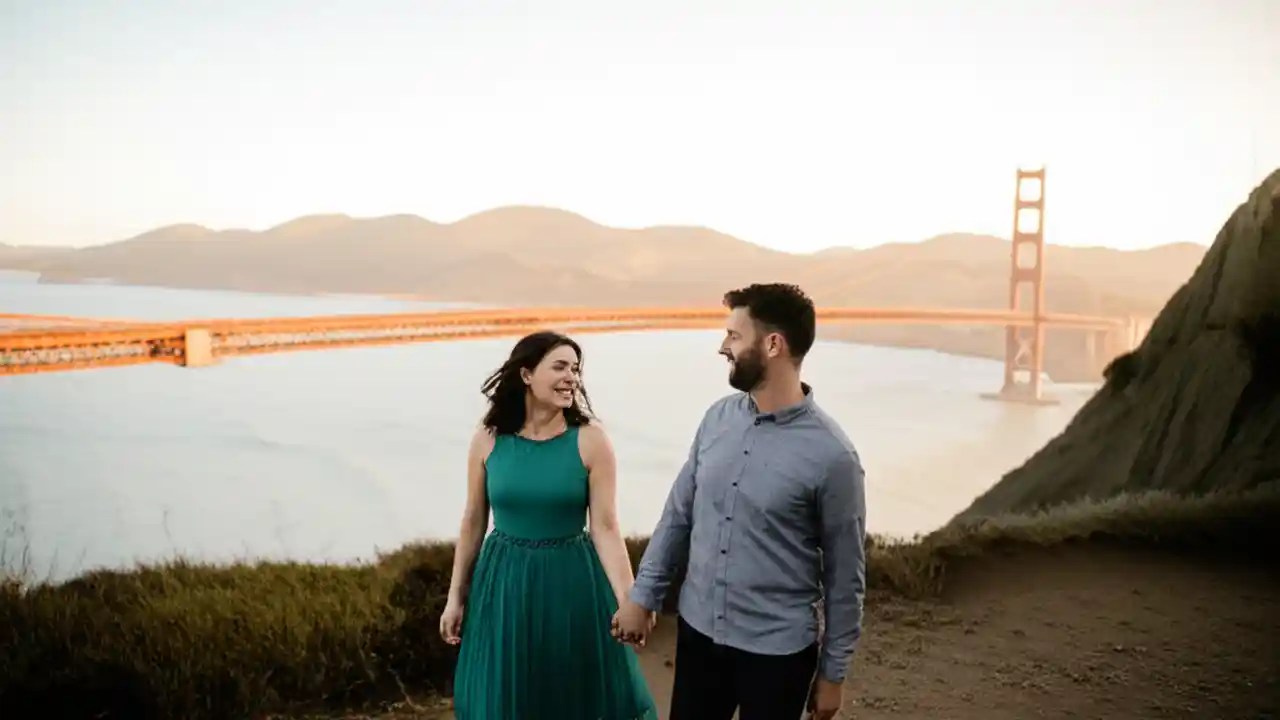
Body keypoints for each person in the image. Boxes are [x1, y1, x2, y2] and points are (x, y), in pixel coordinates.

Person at [612, 282, 867, 720]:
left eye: (734, 336)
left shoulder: (834, 457)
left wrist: (833, 676)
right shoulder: (716, 419)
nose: (722, 347)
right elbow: (677, 515)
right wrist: (643, 597)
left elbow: (846, 578)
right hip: (698, 635)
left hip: (778, 653)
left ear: (773, 344)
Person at [440, 330, 658, 720]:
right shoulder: (487, 440)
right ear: (526, 375)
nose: (571, 377)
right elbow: (473, 521)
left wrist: (631, 599)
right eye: (559, 366)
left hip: (571, 582)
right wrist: (456, 596)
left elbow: (606, 527)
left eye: (575, 369)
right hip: (503, 583)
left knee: (570, 691)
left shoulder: (591, 441)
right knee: (507, 694)